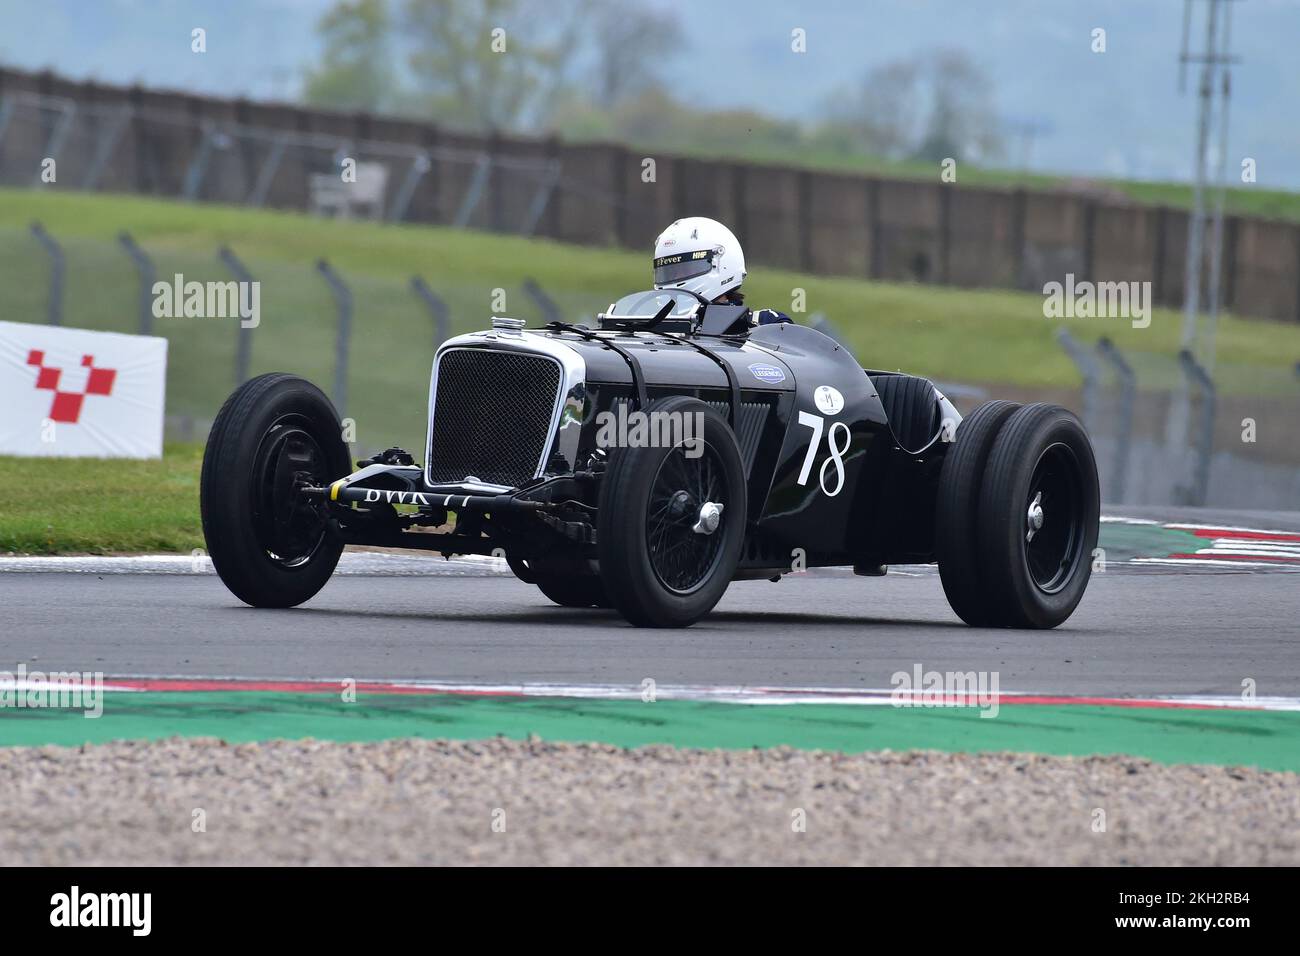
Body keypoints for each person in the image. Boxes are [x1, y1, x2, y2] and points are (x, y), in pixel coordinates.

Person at [652, 217, 791, 326]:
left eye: (684, 269)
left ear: (720, 263)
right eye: (669, 271)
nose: (676, 277)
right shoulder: (650, 328)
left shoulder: (765, 324)